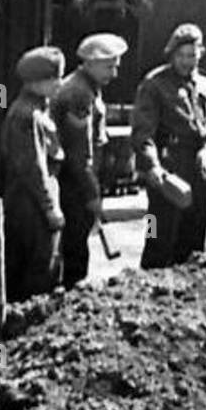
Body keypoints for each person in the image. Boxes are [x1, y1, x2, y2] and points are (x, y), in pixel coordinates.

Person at [132, 23, 206, 269]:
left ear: (200, 53)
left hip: (199, 171)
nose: (186, 62)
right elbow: (142, 132)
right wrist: (152, 169)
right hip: (167, 171)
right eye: (180, 56)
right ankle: (146, 282)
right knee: (155, 233)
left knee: (194, 245)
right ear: (171, 55)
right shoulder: (154, 84)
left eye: (192, 55)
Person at [52, 33, 127, 287]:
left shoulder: (88, 88)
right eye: (109, 66)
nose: (114, 74)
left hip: (77, 180)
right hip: (73, 183)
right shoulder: (78, 94)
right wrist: (92, 194)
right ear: (91, 63)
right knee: (74, 245)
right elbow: (79, 154)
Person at [1, 47, 66, 303]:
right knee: (37, 271)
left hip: (34, 200)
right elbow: (32, 168)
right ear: (38, 82)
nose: (60, 83)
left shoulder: (38, 110)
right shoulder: (27, 116)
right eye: (55, 78)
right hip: (30, 204)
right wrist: (50, 208)